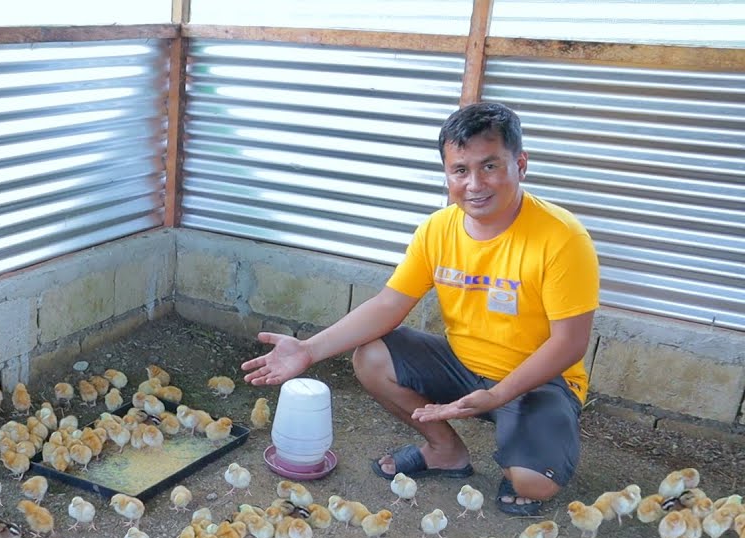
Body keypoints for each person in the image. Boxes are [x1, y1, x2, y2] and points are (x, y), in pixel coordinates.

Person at [241, 101, 599, 516]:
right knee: (372, 356)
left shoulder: (562, 237)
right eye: (460, 170)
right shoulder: (438, 229)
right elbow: (389, 303)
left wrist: (495, 395)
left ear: (520, 164)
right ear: (447, 174)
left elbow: (569, 344)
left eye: (490, 166)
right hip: (464, 366)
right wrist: (309, 350)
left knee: (532, 485)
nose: (475, 184)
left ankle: (527, 439)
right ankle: (445, 450)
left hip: (541, 381)